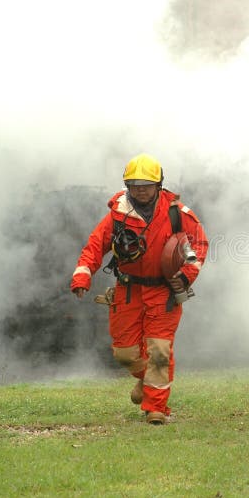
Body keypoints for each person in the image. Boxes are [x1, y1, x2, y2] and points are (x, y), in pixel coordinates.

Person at [70, 153, 208, 425]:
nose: (141, 189)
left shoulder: (178, 214)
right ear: (127, 186)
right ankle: (147, 383)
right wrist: (81, 278)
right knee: (125, 354)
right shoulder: (117, 215)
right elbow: (94, 248)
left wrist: (187, 274)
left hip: (164, 292)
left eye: (146, 184)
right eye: (134, 184)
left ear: (159, 185)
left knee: (159, 351)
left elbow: (199, 245)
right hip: (128, 291)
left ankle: (156, 408)